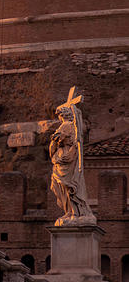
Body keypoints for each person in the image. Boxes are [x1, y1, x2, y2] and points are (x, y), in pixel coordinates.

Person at [49, 86, 95, 226]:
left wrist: (56, 140)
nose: (59, 116)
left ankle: (74, 212)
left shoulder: (67, 126)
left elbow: (58, 139)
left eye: (60, 114)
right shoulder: (66, 126)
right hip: (61, 159)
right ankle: (70, 211)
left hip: (66, 158)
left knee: (68, 186)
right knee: (60, 186)